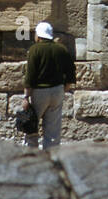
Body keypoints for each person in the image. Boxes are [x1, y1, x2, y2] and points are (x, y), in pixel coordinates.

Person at [23, 21, 76, 150]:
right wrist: (64, 89)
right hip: (57, 91)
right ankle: (51, 157)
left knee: (31, 125)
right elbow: (71, 72)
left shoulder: (35, 50)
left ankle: (31, 156)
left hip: (40, 92)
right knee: (53, 130)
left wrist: (26, 96)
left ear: (39, 35)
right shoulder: (61, 49)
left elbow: (30, 75)